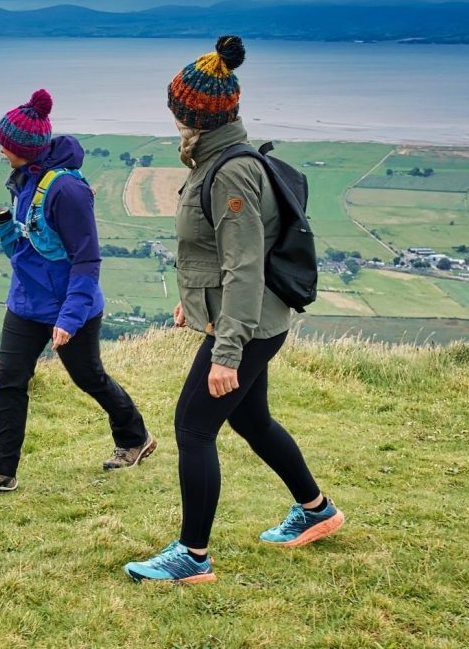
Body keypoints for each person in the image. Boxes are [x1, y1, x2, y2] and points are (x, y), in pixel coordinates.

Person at [125, 36, 343, 584]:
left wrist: (227, 351)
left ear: (187, 112)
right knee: (252, 419)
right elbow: (215, 253)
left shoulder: (228, 173)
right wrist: (193, 302)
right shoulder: (216, 158)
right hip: (248, 321)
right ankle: (317, 511)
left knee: (192, 428)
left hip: (246, 328)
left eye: (175, 106)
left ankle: (192, 556)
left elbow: (244, 267)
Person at [0, 88, 154, 495]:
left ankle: (135, 438)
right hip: (26, 302)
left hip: (69, 307)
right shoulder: (25, 177)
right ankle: (0, 470)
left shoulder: (67, 191)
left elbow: (87, 259)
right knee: (10, 380)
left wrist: (69, 316)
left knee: (89, 377)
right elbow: (32, 242)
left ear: (22, 148)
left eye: (3, 144)